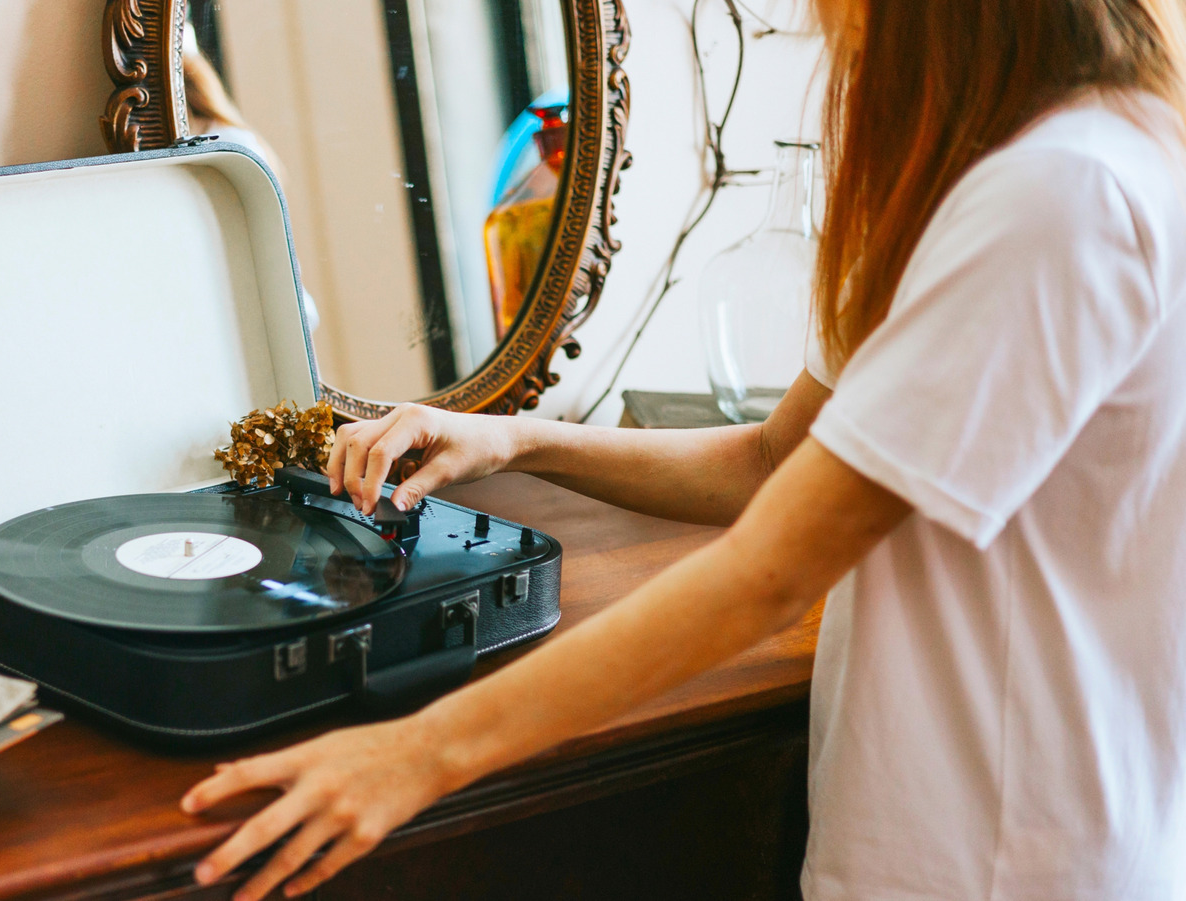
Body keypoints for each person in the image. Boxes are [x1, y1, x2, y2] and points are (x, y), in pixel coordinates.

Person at [180, 0, 1186, 898]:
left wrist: (417, 755)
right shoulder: (1022, 168)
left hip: (1005, 860)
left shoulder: (1060, 197)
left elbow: (766, 576)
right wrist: (514, 438)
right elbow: (777, 463)